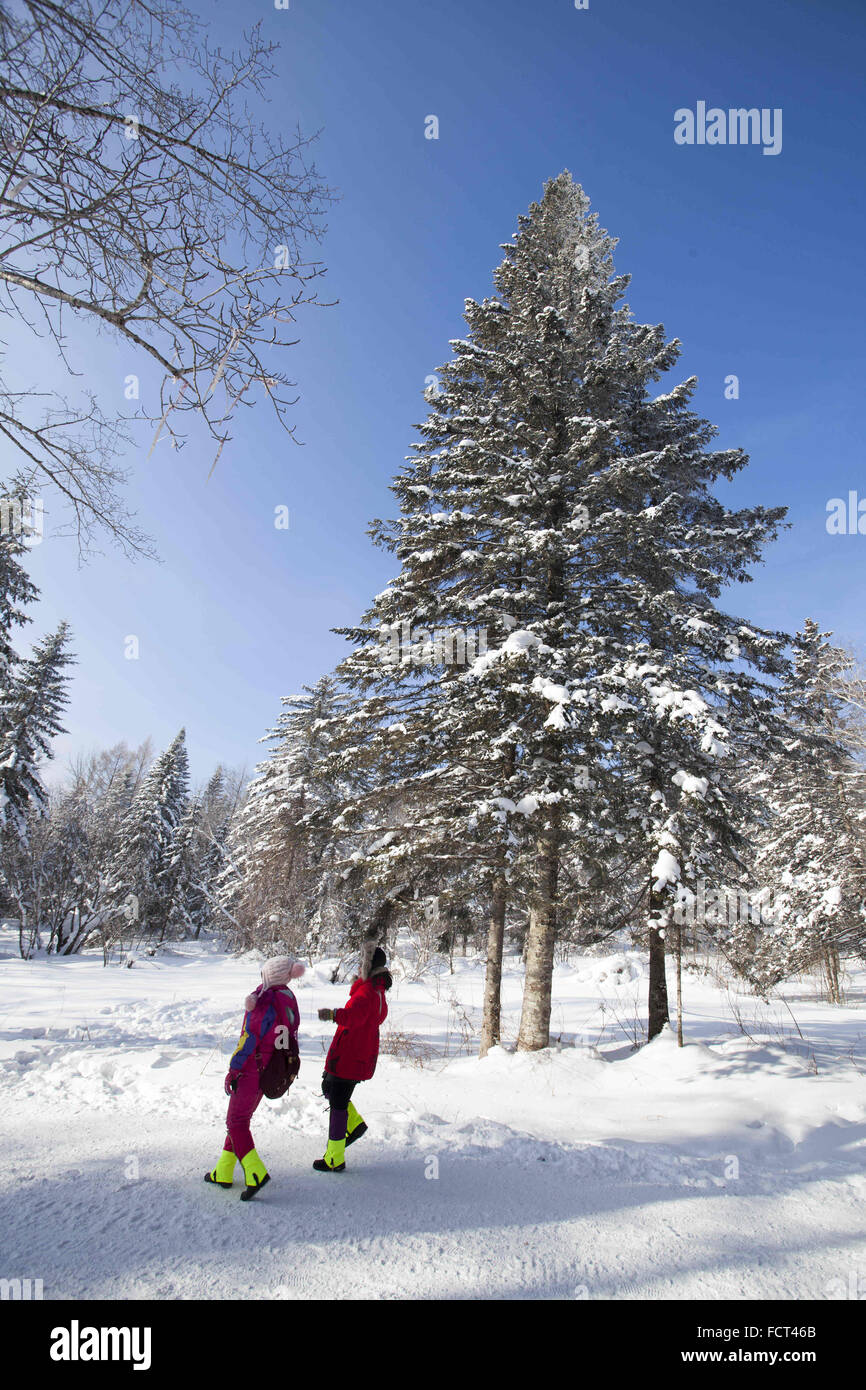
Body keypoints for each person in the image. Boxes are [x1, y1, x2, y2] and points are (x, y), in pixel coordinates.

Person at [205, 954, 304, 1201]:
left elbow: (249, 1038)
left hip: (252, 1068)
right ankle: (223, 1171)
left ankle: (256, 1173)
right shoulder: (288, 999)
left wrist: (234, 1068)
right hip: (271, 1070)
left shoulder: (264, 1001)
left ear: (270, 975)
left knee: (236, 1121)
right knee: (240, 1119)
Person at [314, 943, 392, 1173]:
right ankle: (355, 1125)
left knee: (337, 1103)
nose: (359, 965)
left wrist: (332, 1014)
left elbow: (353, 1017)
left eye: (362, 962)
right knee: (330, 1089)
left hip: (350, 1055)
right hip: (355, 1053)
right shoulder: (376, 991)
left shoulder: (368, 992)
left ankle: (335, 1158)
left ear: (369, 966)